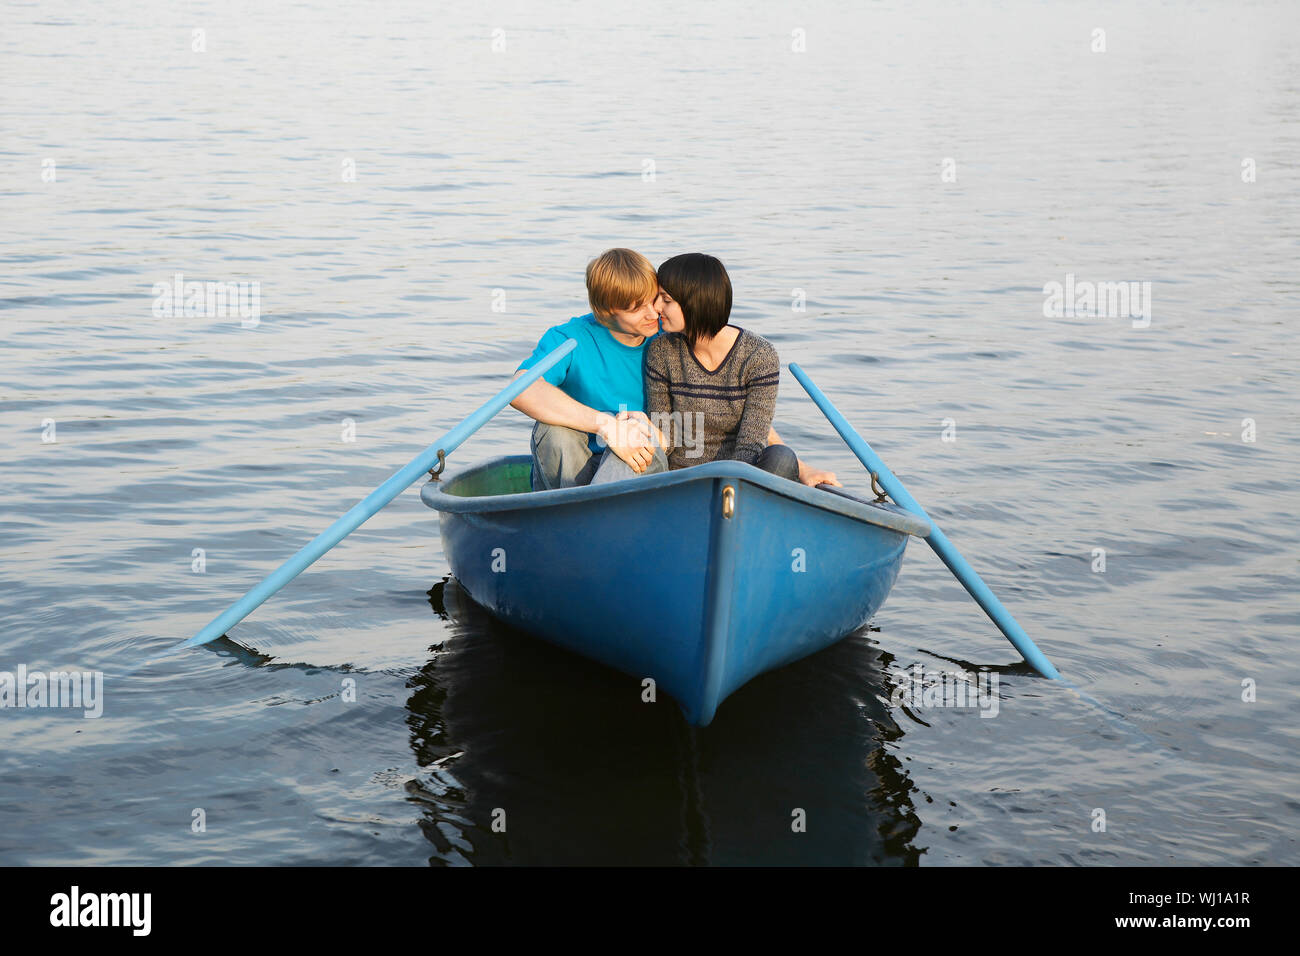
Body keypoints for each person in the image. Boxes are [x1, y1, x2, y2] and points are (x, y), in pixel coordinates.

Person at [644, 253, 840, 487]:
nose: (656, 307)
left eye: (665, 299)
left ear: (693, 301)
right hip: (685, 481)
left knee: (781, 457)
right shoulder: (661, 350)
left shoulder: (758, 355)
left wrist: (726, 487)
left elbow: (751, 444)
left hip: (743, 479)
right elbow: (667, 437)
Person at [510, 248, 668, 490]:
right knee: (554, 431)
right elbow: (521, 389)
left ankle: (591, 514)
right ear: (607, 311)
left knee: (640, 431)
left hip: (638, 473)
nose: (652, 314)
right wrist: (607, 426)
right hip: (573, 470)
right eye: (636, 308)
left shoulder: (669, 336)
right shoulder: (570, 338)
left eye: (653, 299)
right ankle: (576, 513)